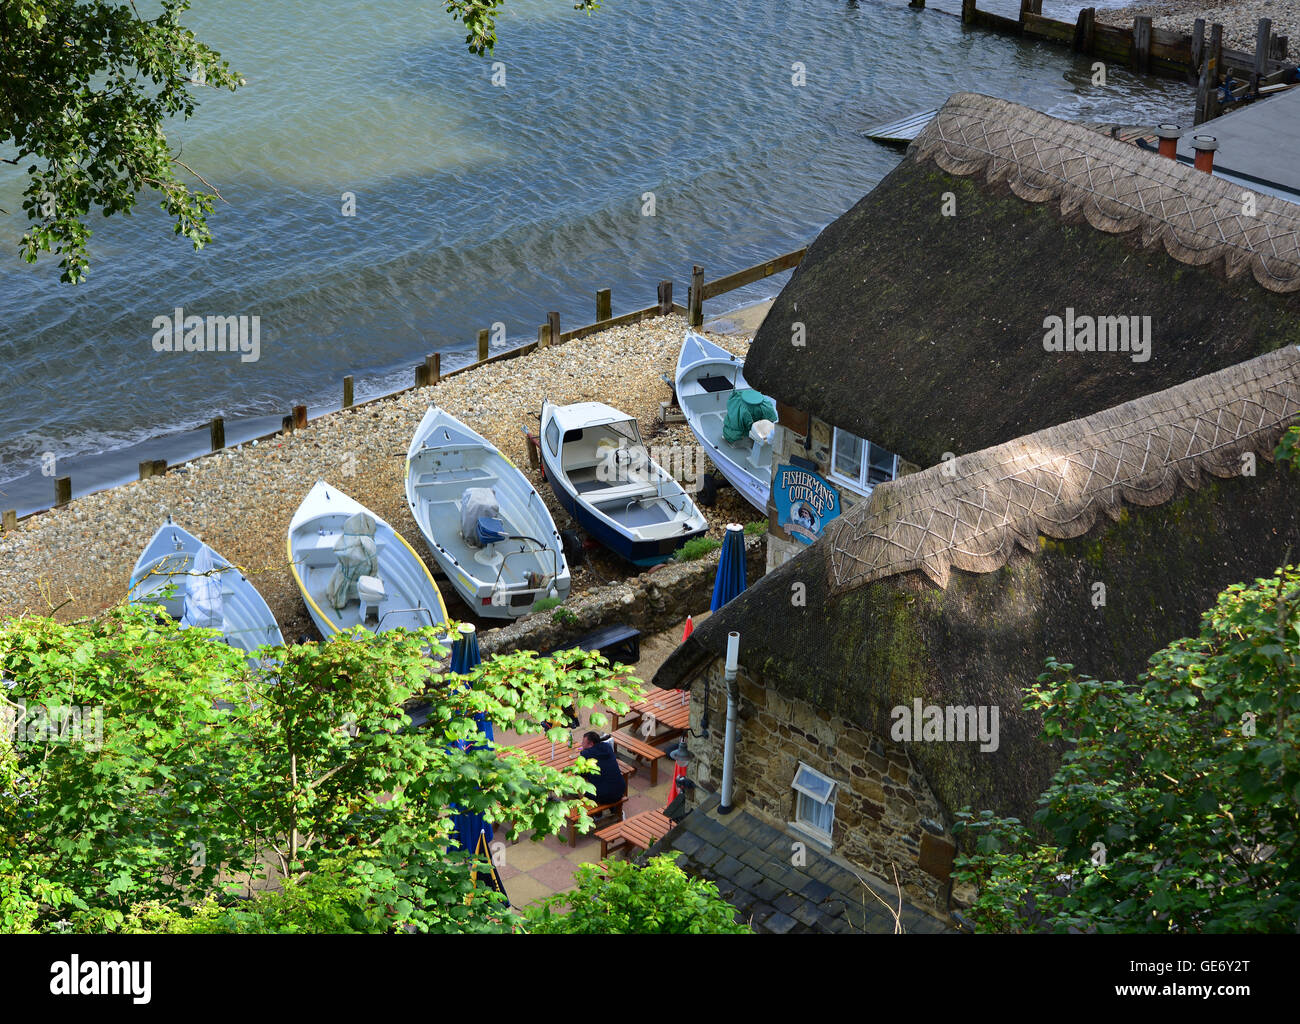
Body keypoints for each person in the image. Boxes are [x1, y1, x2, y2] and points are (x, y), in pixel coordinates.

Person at [579, 730, 626, 806]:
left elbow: (580, 773)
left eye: (583, 743)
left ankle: (595, 814)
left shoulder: (586, 755)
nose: (582, 745)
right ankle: (614, 810)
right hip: (620, 790)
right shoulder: (607, 747)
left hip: (603, 796)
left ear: (591, 744)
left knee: (580, 785)